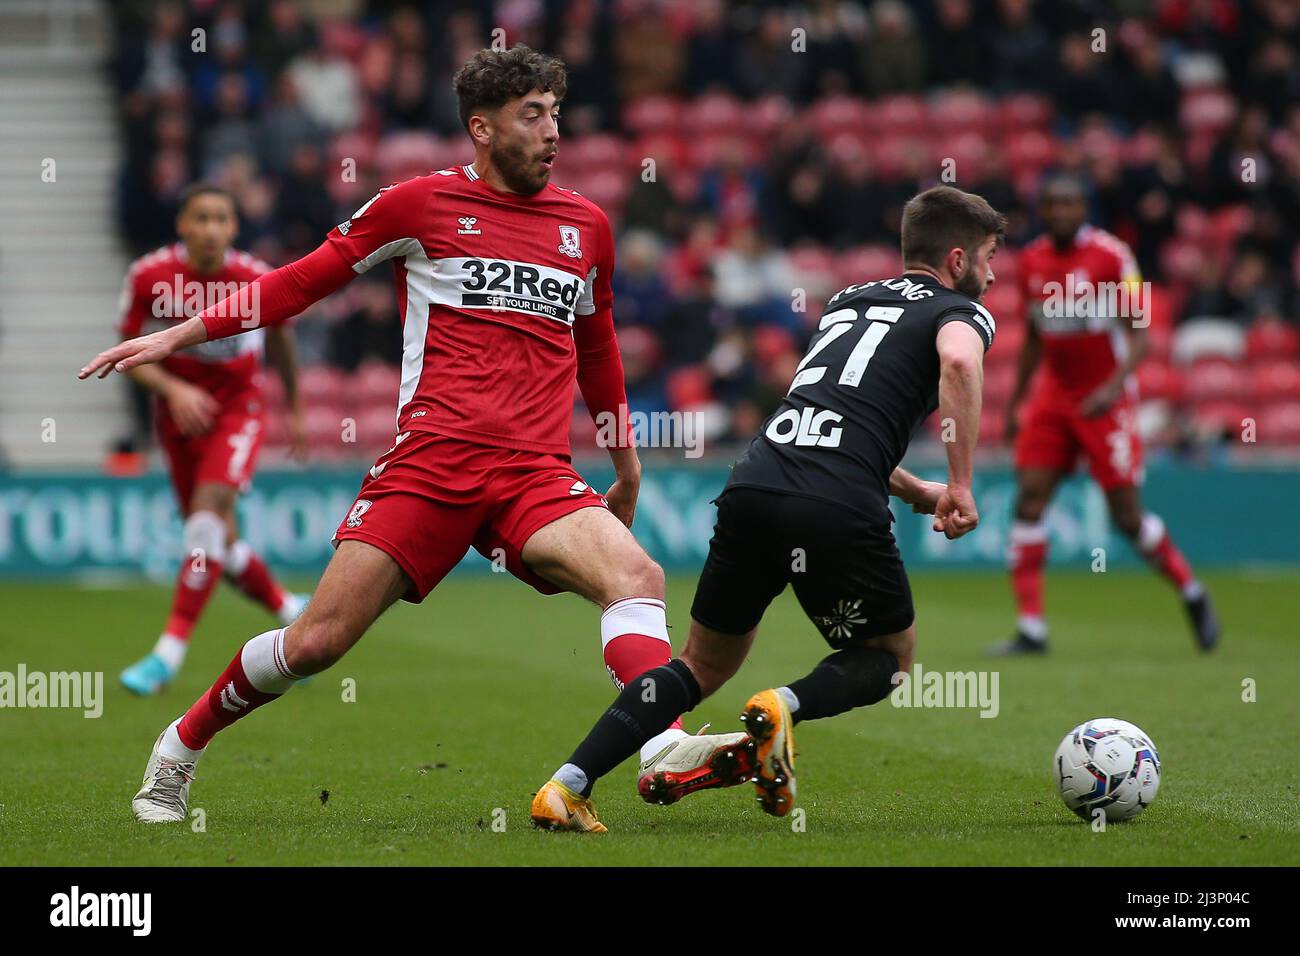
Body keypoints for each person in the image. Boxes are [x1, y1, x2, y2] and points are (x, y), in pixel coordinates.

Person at [81, 46, 751, 827]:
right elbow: (299, 281)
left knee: (636, 577)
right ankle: (180, 743)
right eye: (531, 115)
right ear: (482, 127)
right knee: (317, 643)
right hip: (430, 466)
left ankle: (661, 742)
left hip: (533, 472)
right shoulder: (417, 206)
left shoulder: (587, 227)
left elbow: (596, 349)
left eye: (556, 114)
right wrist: (177, 338)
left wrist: (626, 462)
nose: (552, 132)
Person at [532, 186, 1004, 830]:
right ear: (957, 260)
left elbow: (828, 413)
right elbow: (958, 364)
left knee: (698, 665)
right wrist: (961, 481)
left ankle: (567, 785)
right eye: (988, 257)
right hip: (834, 502)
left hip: (756, 480)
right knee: (887, 658)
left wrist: (917, 489)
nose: (993, 273)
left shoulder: (849, 301)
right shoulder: (963, 313)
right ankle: (782, 705)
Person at [996, 173, 1218, 656]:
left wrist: (1111, 388)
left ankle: (1191, 591)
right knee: (1029, 500)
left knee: (1127, 517)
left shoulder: (1112, 256)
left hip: (1105, 399)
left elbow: (1140, 334)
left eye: (1069, 203)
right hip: (1054, 399)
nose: (1059, 212)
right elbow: (1035, 337)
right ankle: (1031, 628)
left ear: (1085, 208)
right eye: (1051, 203)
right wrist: (1017, 402)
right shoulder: (1031, 261)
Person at [116, 183, 308, 695]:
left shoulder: (253, 277)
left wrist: (292, 405)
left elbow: (282, 338)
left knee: (204, 523)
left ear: (234, 227)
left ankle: (166, 655)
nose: (210, 229)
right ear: (181, 225)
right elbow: (126, 353)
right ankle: (293, 614)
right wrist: (173, 388)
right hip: (177, 418)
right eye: (200, 218)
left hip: (237, 410)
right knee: (216, 543)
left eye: (221, 219)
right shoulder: (149, 276)